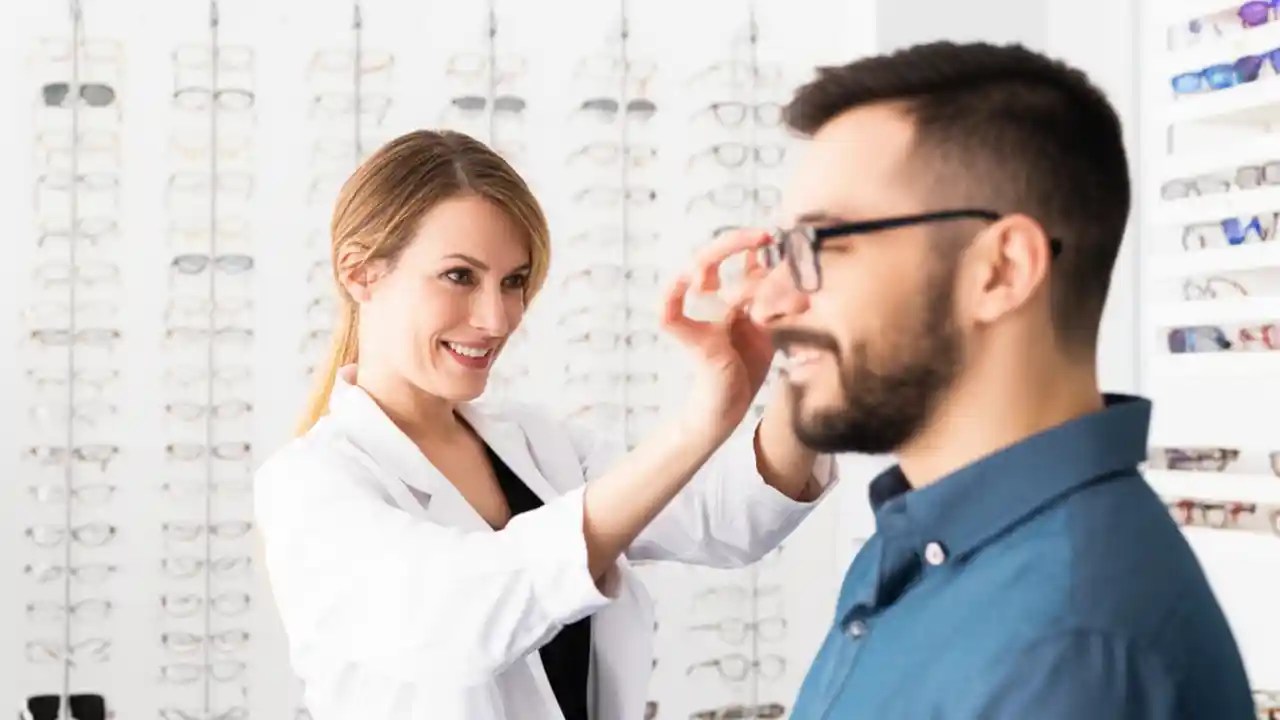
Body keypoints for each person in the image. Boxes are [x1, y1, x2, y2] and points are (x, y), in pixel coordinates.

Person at [689, 41, 1254, 718]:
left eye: (821, 246)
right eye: (781, 251)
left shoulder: (1068, 654)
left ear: (1001, 271)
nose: (767, 301)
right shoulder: (924, 546)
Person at [253, 130, 836, 720]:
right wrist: (700, 421)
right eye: (460, 276)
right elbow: (465, 616)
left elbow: (728, 517)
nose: (496, 317)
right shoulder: (309, 483)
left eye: (514, 281)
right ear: (360, 274)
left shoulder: (536, 443)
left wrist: (805, 351)